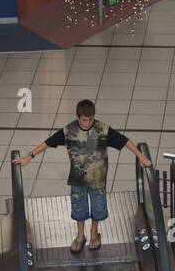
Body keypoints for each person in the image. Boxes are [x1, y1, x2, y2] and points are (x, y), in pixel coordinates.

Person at [12, 100, 152, 254]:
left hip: (98, 180)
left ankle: (94, 232)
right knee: (79, 208)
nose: (87, 123)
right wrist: (29, 156)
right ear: (77, 117)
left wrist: (140, 156)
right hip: (77, 180)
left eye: (90, 119)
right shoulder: (69, 131)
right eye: (84, 120)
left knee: (98, 208)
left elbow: (124, 141)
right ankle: (80, 235)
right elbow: (49, 142)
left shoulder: (102, 129)